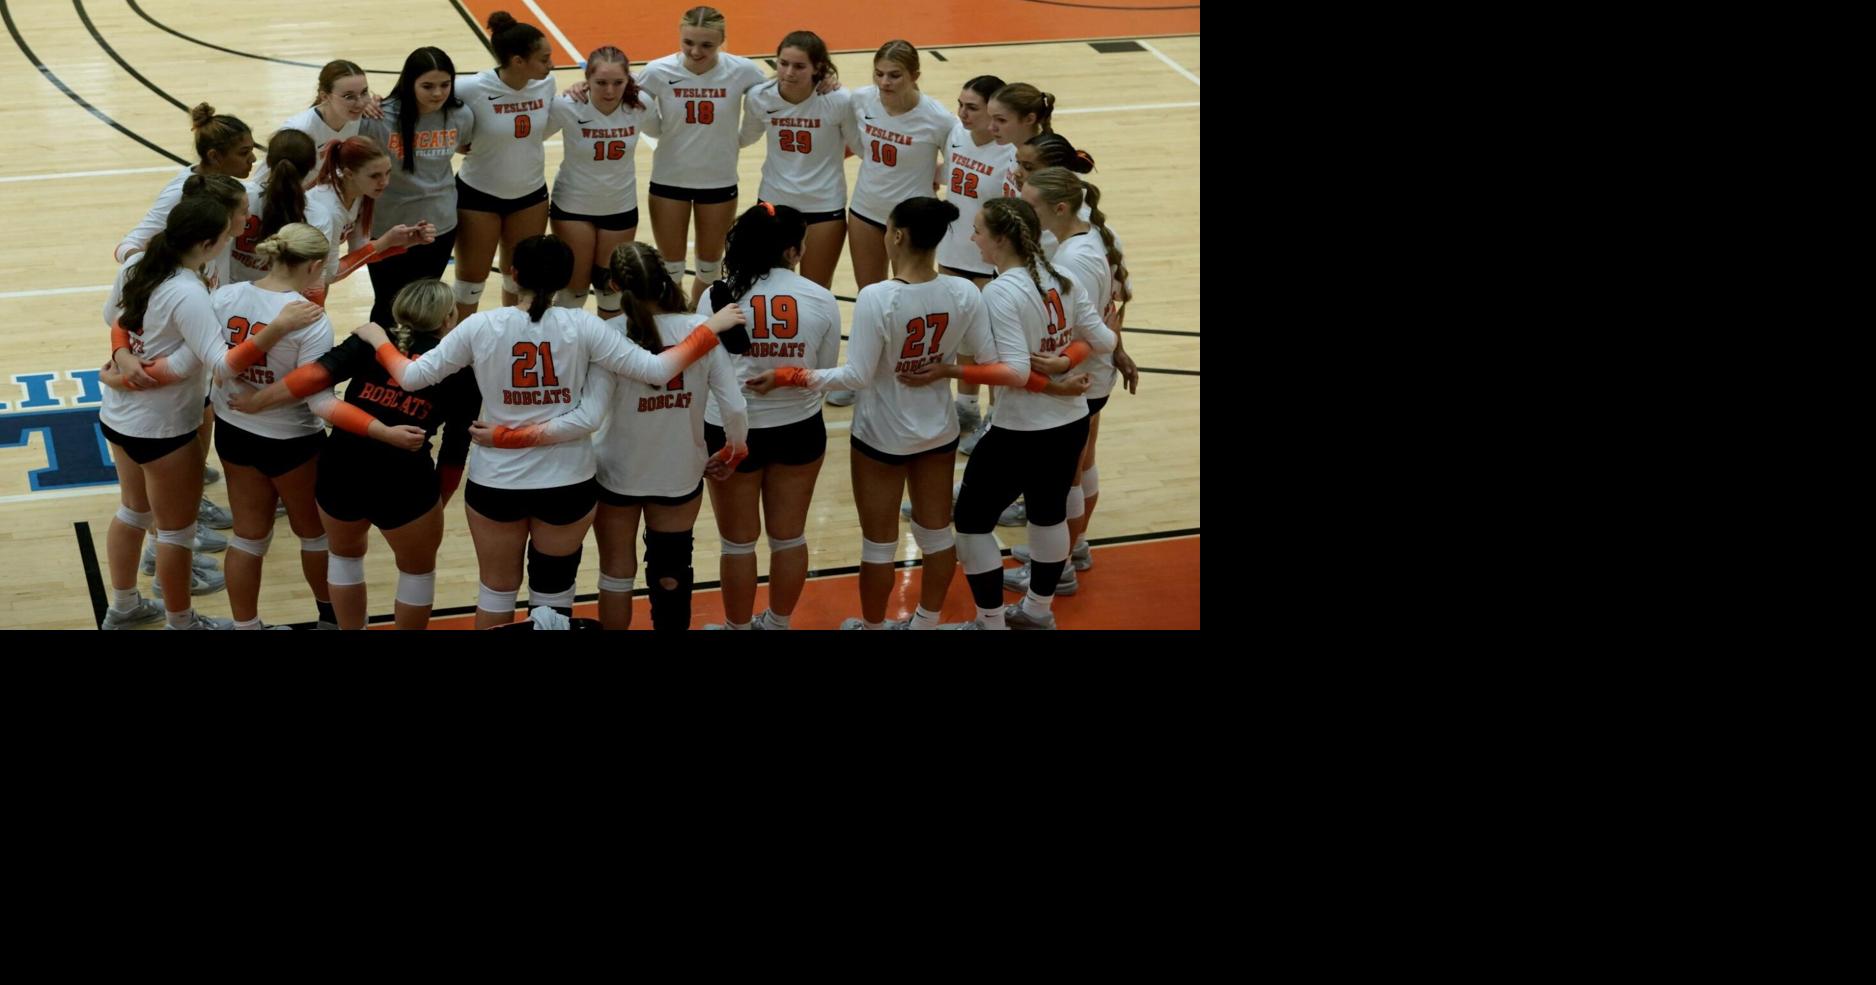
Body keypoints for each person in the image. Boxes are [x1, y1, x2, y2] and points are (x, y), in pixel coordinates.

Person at [352, 234, 746, 629]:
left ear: (512, 274)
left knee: (496, 593)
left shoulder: (482, 324)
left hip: (498, 481)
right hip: (567, 482)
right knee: (554, 599)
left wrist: (379, 339)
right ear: (565, 279)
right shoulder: (586, 326)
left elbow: (412, 377)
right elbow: (658, 370)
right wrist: (707, 328)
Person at [898, 198, 1113, 630]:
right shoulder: (1063, 276)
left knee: (973, 521)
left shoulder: (1000, 291)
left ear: (999, 240)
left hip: (1022, 430)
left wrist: (951, 369)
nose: (972, 238)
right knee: (1048, 512)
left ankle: (990, 621)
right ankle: (1037, 611)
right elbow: (1104, 338)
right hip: (1069, 421)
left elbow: (1014, 371)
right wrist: (1066, 360)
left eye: (978, 230)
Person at [229, 279, 478, 629]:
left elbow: (312, 377)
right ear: (449, 318)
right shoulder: (461, 367)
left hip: (341, 466)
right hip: (404, 479)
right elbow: (455, 449)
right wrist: (441, 497)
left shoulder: (367, 342)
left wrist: (257, 401)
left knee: (344, 559)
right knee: (417, 573)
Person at [695, 203, 840, 630]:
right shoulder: (821, 298)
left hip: (730, 431)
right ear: (794, 251)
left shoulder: (716, 294)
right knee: (789, 536)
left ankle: (738, 628)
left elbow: (702, 370)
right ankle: (777, 624)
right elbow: (823, 375)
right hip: (799, 428)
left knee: (737, 544)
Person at [359, 46, 476, 327]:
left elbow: (465, 146)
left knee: (424, 306)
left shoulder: (460, 115)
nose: (437, 93)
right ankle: (378, 365)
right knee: (387, 304)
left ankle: (417, 366)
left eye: (444, 85)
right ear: (409, 83)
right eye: (427, 86)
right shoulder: (379, 118)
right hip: (388, 226)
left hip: (438, 225)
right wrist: (362, 103)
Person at [451, 10, 557, 321]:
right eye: (544, 58)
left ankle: (512, 341)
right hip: (478, 196)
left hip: (529, 195)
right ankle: (462, 355)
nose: (551, 64)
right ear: (517, 61)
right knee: (469, 285)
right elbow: (420, 96)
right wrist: (455, 141)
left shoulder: (546, 85)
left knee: (521, 281)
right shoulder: (471, 88)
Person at [545, 45, 656, 319]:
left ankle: (606, 356)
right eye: (600, 83)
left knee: (611, 289)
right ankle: (566, 352)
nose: (609, 91)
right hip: (573, 206)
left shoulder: (640, 106)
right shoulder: (567, 105)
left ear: (628, 80)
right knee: (574, 290)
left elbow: (664, 129)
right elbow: (531, 138)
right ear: (587, 80)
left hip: (620, 206)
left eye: (618, 83)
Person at [738, 30, 853, 289]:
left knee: (816, 290)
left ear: (818, 68)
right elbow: (743, 138)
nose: (789, 72)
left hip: (824, 205)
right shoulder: (760, 96)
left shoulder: (838, 100)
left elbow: (861, 146)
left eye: (799, 66)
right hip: (774, 201)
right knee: (766, 286)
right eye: (783, 63)